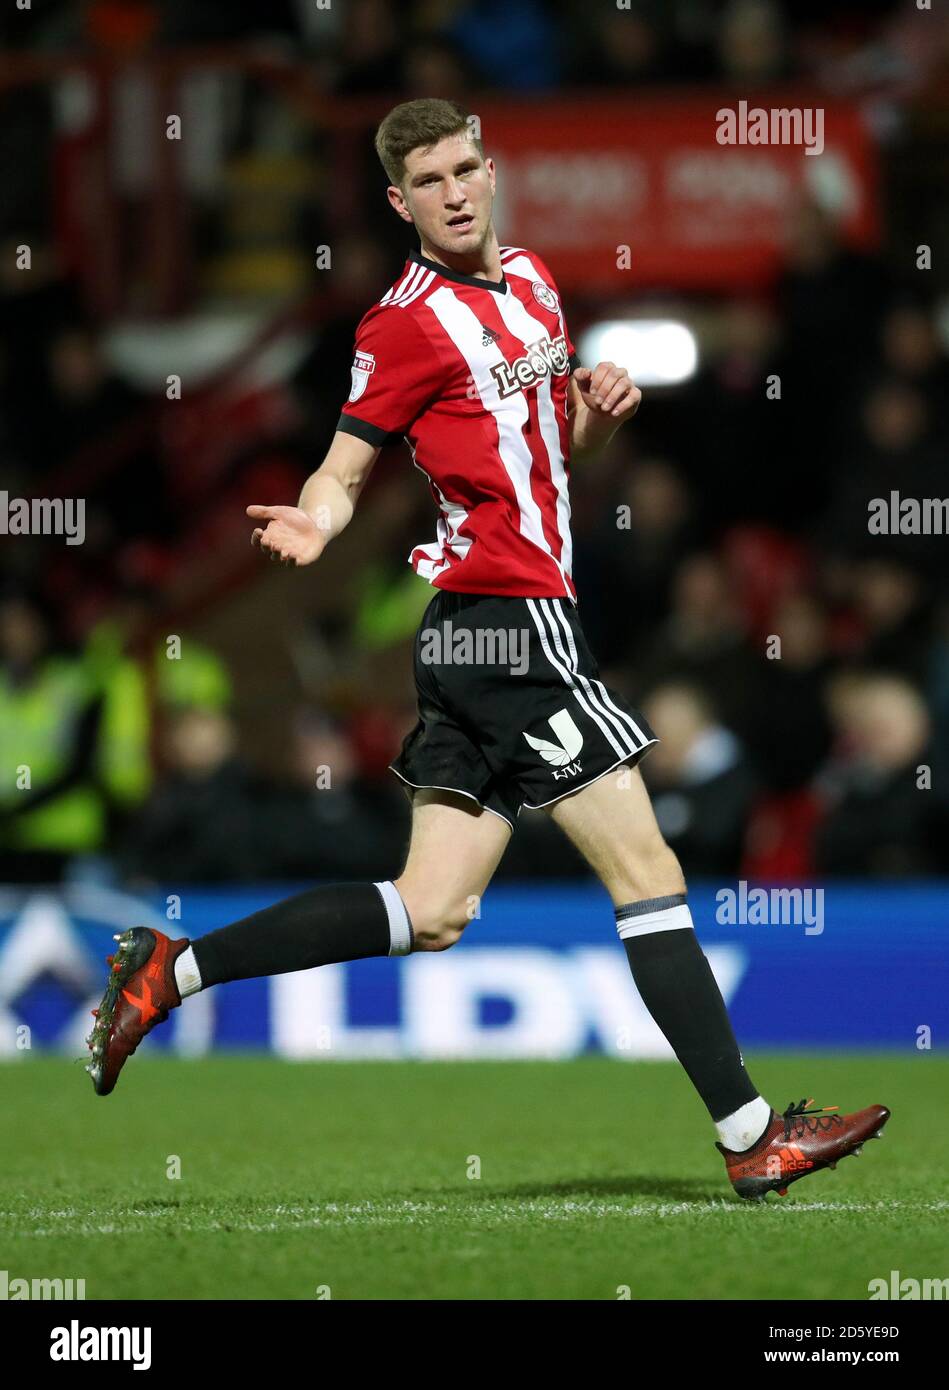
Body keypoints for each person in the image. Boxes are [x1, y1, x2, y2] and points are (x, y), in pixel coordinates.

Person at [87, 98, 888, 1201]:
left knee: (432, 909)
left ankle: (169, 974)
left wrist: (596, 418)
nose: (457, 192)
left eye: (467, 168)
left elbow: (548, 450)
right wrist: (320, 518)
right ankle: (753, 1136)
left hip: (480, 632)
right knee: (647, 870)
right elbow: (344, 460)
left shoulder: (539, 283)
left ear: (488, 167)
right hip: (507, 626)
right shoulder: (401, 325)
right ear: (398, 202)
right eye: (431, 182)